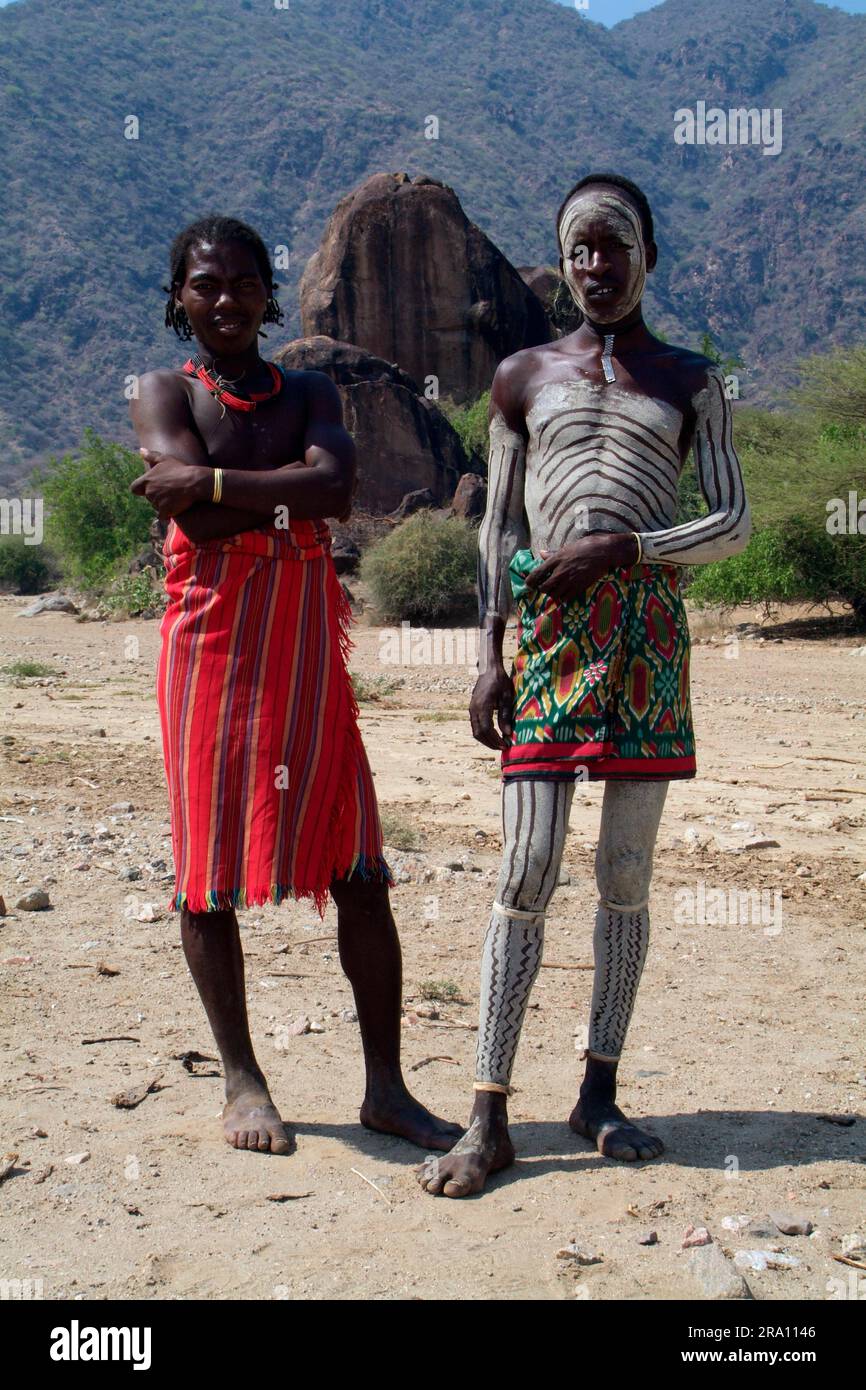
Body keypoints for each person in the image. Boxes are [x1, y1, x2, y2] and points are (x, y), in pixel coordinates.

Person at [418, 173, 750, 1198]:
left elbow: (731, 524)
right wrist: (486, 652)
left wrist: (621, 548)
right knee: (523, 871)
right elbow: (499, 527)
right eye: (578, 249)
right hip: (551, 637)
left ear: (649, 253)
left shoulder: (691, 381)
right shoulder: (520, 376)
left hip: (647, 634)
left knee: (622, 875)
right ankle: (485, 1114)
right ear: (560, 262)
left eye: (614, 245)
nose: (596, 265)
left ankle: (596, 1092)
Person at [130, 213, 461, 1157]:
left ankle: (387, 1089)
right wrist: (259, 491)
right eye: (205, 284)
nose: (225, 300)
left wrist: (213, 483)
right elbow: (230, 498)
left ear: (271, 295)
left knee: (359, 864)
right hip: (211, 650)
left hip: (308, 653)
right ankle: (242, 1081)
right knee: (205, 872)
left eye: (243, 282)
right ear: (178, 298)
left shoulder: (310, 388)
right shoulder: (162, 391)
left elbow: (335, 492)